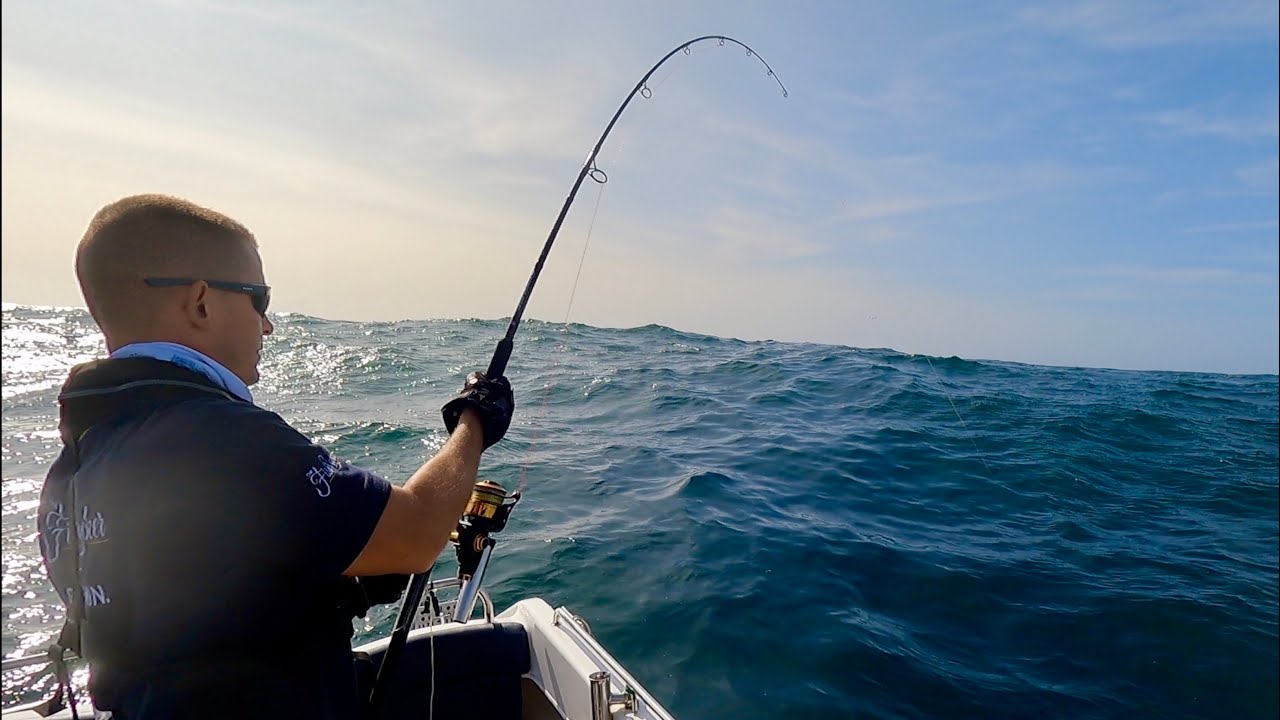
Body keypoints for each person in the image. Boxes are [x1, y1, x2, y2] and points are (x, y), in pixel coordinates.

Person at [35, 193, 515, 719]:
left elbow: (189, 611)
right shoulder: (225, 438)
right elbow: (419, 533)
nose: (268, 325)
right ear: (200, 302)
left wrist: (339, 590)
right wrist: (474, 419)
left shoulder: (76, 464)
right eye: (258, 299)